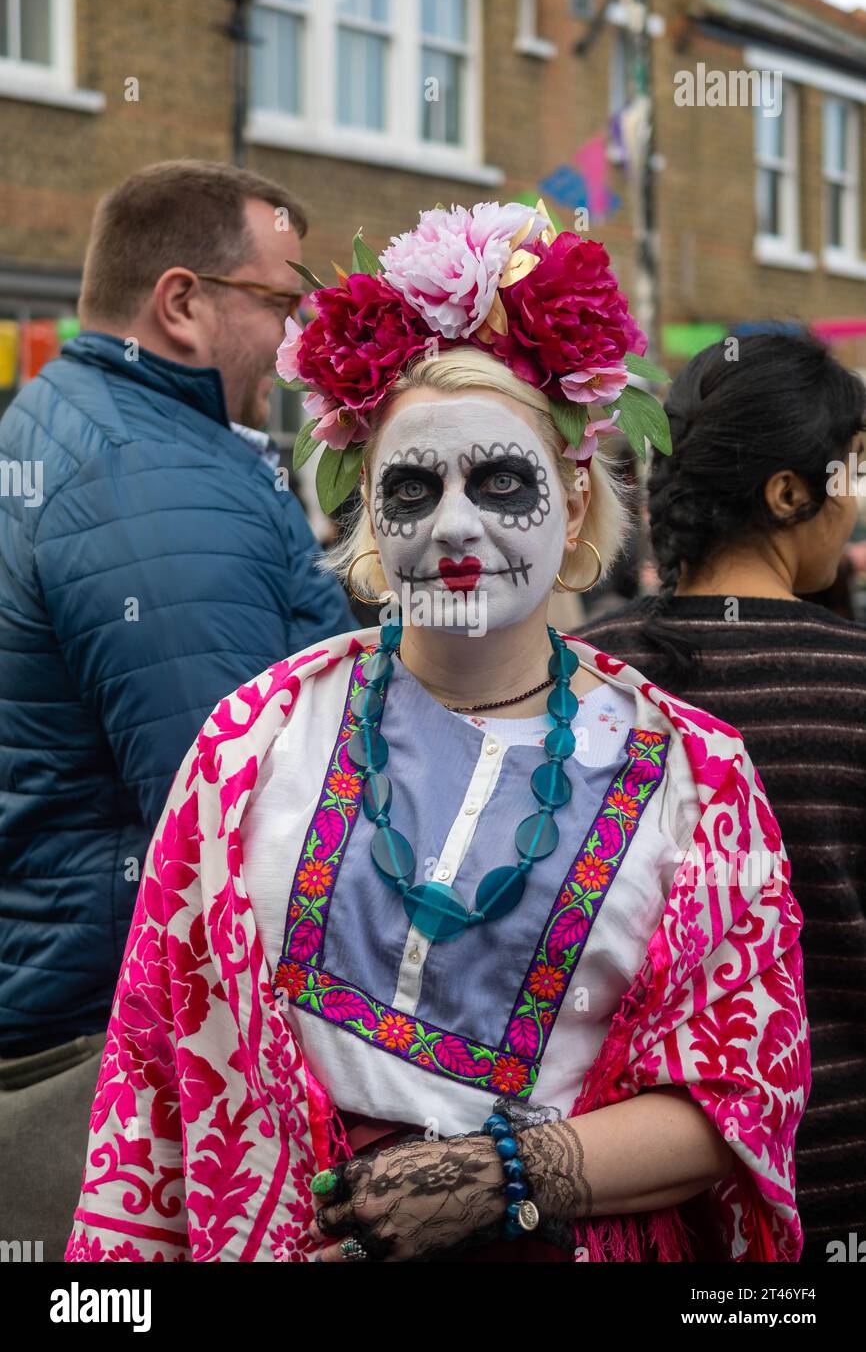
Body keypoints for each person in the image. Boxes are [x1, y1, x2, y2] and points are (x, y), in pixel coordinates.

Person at [67, 204, 807, 1263]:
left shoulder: (697, 777)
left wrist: (500, 1176)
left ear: (572, 491)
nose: (455, 524)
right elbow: (151, 1076)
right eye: (412, 489)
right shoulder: (253, 740)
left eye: (500, 481)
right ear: (369, 515)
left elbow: (743, 1093)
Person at [0, 160, 353, 1259]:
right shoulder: (149, 475)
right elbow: (235, 829)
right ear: (184, 302)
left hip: (64, 994)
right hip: (113, 1054)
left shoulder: (63, 416)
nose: (294, 343)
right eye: (282, 302)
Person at [579, 331, 866, 1262]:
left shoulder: (582, 680)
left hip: (623, 1189)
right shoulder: (854, 685)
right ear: (790, 493)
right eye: (851, 471)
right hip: (829, 1183)